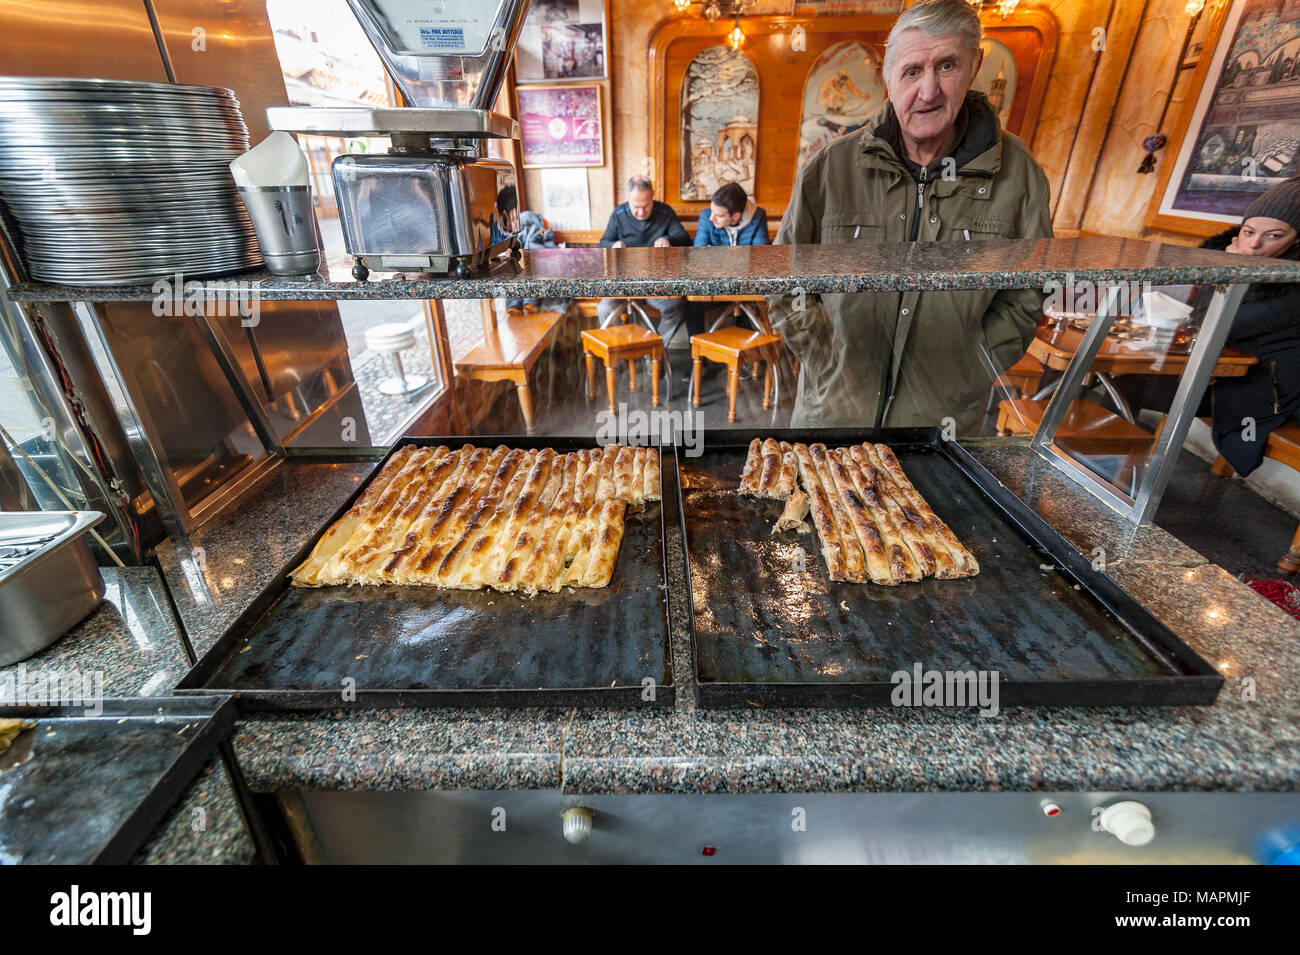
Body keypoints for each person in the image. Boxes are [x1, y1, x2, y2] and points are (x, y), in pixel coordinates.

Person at [767, 0, 1053, 431]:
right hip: (832, 419)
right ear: (888, 78)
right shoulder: (829, 168)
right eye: (913, 71)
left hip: (941, 425)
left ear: (973, 68)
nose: (928, 91)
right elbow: (781, 277)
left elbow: (1027, 295)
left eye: (947, 66)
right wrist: (826, 357)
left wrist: (970, 367)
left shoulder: (1019, 174)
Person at [1203, 177, 1300, 477]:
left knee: (1160, 381)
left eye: (1273, 236)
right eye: (1248, 232)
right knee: (1138, 378)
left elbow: (1221, 324)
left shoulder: (1292, 284)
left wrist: (1229, 272)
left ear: (1296, 240)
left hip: (1275, 385)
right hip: (1237, 369)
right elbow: (1196, 313)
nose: (1255, 244)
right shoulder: (1223, 254)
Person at [598, 176, 691, 341]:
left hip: (657, 281)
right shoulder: (618, 214)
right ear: (628, 199)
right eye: (636, 207)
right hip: (624, 281)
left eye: (646, 206)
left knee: (675, 306)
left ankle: (654, 353)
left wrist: (668, 240)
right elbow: (603, 242)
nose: (641, 212)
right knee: (605, 309)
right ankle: (622, 353)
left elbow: (683, 238)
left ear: (652, 196)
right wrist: (614, 245)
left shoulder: (665, 212)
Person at [693, 182, 770, 247]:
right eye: (712, 210)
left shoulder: (758, 216)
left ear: (736, 216)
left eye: (719, 215)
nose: (711, 218)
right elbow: (699, 252)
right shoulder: (706, 215)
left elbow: (760, 253)